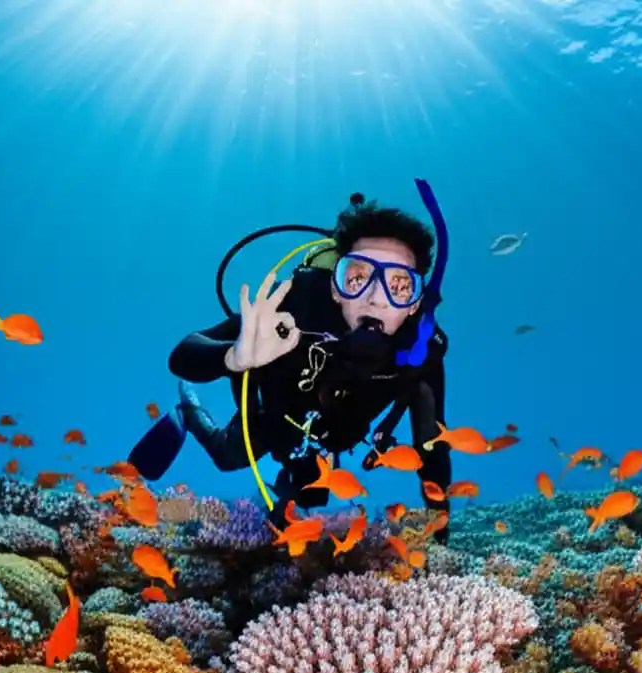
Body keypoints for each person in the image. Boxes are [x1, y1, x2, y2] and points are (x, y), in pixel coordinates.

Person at [165, 196, 453, 540]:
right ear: (335, 287)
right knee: (228, 458)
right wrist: (233, 358)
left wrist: (440, 530)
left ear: (415, 304)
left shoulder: (420, 352)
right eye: (357, 277)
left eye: (400, 285)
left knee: (310, 492)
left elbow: (432, 444)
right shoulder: (296, 309)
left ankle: (298, 483)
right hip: (279, 414)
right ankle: (190, 412)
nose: (376, 298)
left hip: (343, 428)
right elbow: (183, 354)